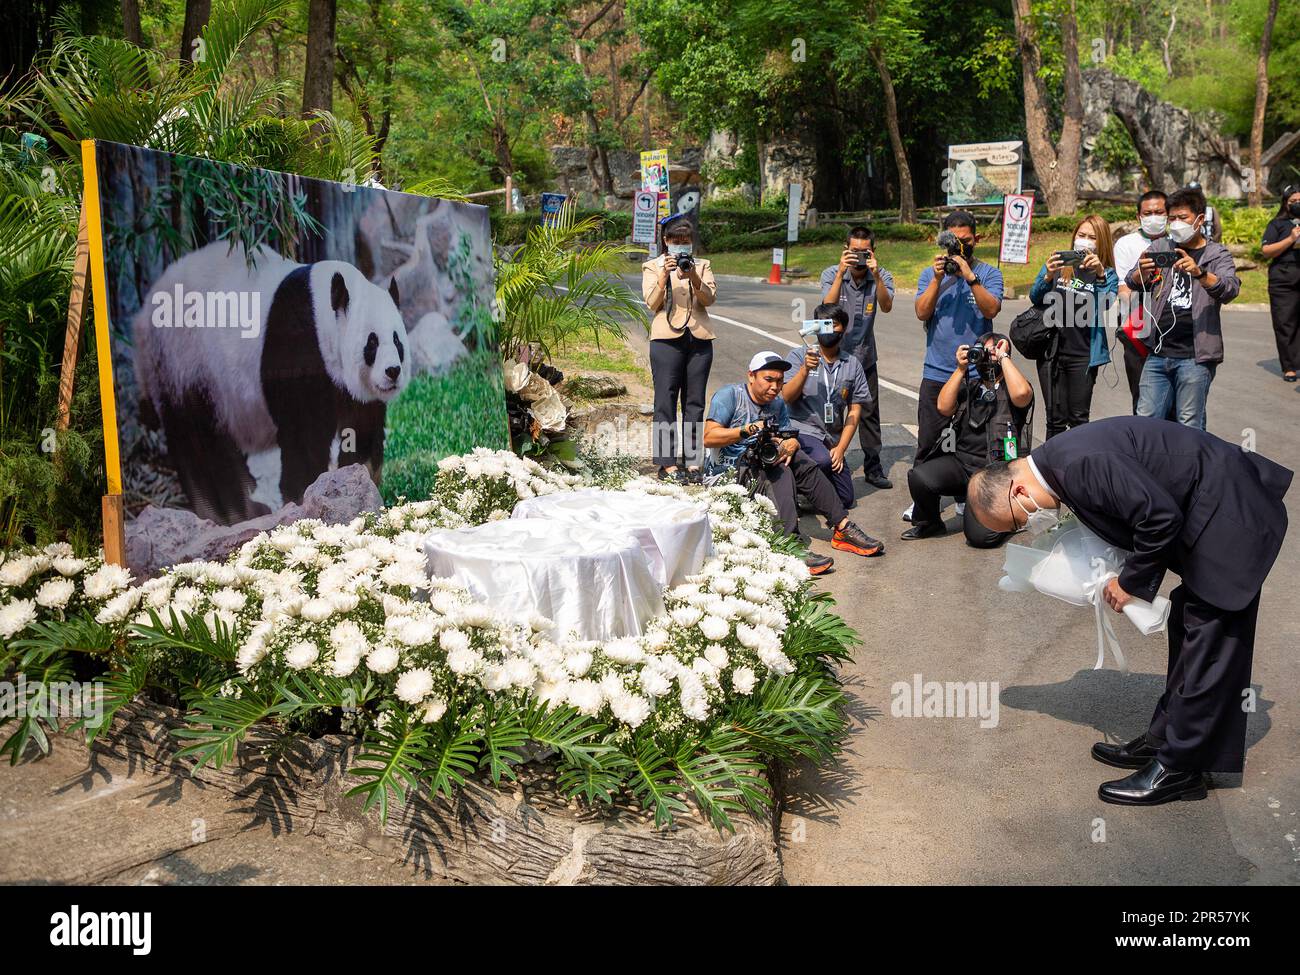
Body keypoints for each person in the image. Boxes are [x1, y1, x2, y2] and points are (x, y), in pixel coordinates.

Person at [966, 416, 1292, 805]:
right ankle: (1164, 742)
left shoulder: (1079, 464)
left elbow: (1158, 517)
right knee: (1189, 628)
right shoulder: (1060, 463)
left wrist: (1130, 583)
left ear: (1018, 489)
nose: (1029, 526)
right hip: (1211, 512)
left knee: (1209, 643)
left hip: (1231, 516)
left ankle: (1179, 769)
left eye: (1019, 521)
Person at [704, 351, 886, 574]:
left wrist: (791, 443)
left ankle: (842, 527)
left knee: (798, 459)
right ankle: (789, 546)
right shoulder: (730, 395)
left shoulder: (777, 404)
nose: (775, 386)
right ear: (751, 376)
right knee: (780, 469)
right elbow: (709, 437)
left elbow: (786, 436)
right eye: (768, 379)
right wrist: (748, 430)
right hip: (729, 474)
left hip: (760, 465)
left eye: (780, 381)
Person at [908, 210, 1004, 521]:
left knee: (972, 445)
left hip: (977, 375)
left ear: (977, 239)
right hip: (937, 372)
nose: (960, 249)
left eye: (965, 242)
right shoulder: (930, 274)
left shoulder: (988, 273)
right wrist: (938, 279)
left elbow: (992, 308)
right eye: (954, 243)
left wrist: (968, 275)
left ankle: (967, 496)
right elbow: (922, 313)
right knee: (929, 441)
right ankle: (924, 504)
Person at [902, 332, 1032, 547]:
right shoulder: (970, 386)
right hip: (962, 464)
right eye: (983, 352)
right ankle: (929, 523)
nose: (988, 358)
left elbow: (1022, 395)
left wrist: (1002, 357)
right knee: (920, 477)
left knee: (981, 537)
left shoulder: (1014, 388)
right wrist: (960, 369)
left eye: (993, 352)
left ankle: (1010, 516)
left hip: (995, 473)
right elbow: (943, 407)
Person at [1127, 185, 1240, 431]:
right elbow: (1131, 281)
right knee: (1145, 418)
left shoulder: (1216, 253)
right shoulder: (1160, 248)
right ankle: (1151, 467)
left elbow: (1230, 289)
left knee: (1189, 423)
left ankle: (1192, 469)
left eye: (1183, 218)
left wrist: (1199, 273)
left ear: (1199, 219)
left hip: (1195, 356)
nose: (1176, 223)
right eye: (1172, 218)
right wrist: (1140, 273)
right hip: (1158, 352)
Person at [1027, 213, 1116, 438]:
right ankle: (1049, 470)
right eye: (1081, 234)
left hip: (1084, 355)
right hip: (1052, 352)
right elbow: (1035, 297)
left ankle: (1076, 470)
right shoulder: (1059, 263)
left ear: (1102, 242)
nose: (1084, 240)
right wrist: (1047, 275)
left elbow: (1106, 304)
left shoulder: (1108, 274)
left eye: (1092, 237)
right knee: (1055, 420)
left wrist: (1100, 274)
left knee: (1078, 419)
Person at [820, 225, 895, 489]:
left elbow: (886, 306)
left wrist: (876, 274)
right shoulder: (832, 273)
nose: (860, 257)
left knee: (869, 415)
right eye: (855, 252)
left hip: (865, 357)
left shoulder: (881, 275)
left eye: (865, 252)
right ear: (846, 250)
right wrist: (841, 273)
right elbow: (825, 311)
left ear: (873, 252)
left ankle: (873, 469)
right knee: (831, 415)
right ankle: (826, 464)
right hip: (833, 356)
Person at [642, 213, 716, 482]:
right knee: (665, 401)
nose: (682, 245)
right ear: (666, 241)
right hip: (665, 341)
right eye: (677, 240)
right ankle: (667, 463)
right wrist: (665, 275)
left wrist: (693, 275)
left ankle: (694, 462)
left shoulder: (703, 265)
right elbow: (652, 303)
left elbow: (709, 299)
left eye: (686, 241)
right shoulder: (652, 266)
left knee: (695, 403)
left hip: (699, 339)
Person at [780, 304, 873, 510]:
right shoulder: (799, 356)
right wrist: (805, 369)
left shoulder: (852, 364)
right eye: (823, 325)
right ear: (815, 327)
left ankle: (814, 490)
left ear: (844, 330)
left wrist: (841, 449)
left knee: (846, 499)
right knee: (821, 460)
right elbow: (786, 396)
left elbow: (855, 411)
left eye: (834, 325)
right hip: (802, 430)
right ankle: (794, 487)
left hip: (831, 438)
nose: (828, 330)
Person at [1114, 191, 1169, 412]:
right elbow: (1124, 288)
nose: (1153, 217)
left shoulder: (1179, 243)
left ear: (1168, 214)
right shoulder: (1127, 244)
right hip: (1138, 328)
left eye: (1159, 212)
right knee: (1142, 397)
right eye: (1148, 213)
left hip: (1173, 332)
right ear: (1139, 216)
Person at [1260, 183, 1300, 382]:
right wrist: (1291, 239)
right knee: (1285, 322)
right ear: (1285, 203)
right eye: (1293, 201)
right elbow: (1266, 251)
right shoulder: (1277, 224)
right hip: (1283, 280)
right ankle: (1289, 367)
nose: (1297, 204)